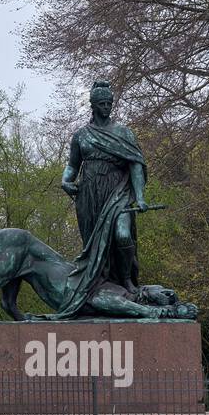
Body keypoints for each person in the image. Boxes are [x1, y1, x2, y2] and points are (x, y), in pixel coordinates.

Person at [58, 80, 149, 316]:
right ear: (93, 105)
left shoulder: (123, 132)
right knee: (94, 245)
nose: (107, 107)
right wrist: (65, 181)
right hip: (89, 195)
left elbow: (136, 165)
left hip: (117, 192)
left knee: (122, 234)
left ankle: (127, 281)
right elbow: (72, 165)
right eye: (102, 104)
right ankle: (99, 286)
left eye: (109, 103)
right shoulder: (81, 135)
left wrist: (139, 197)